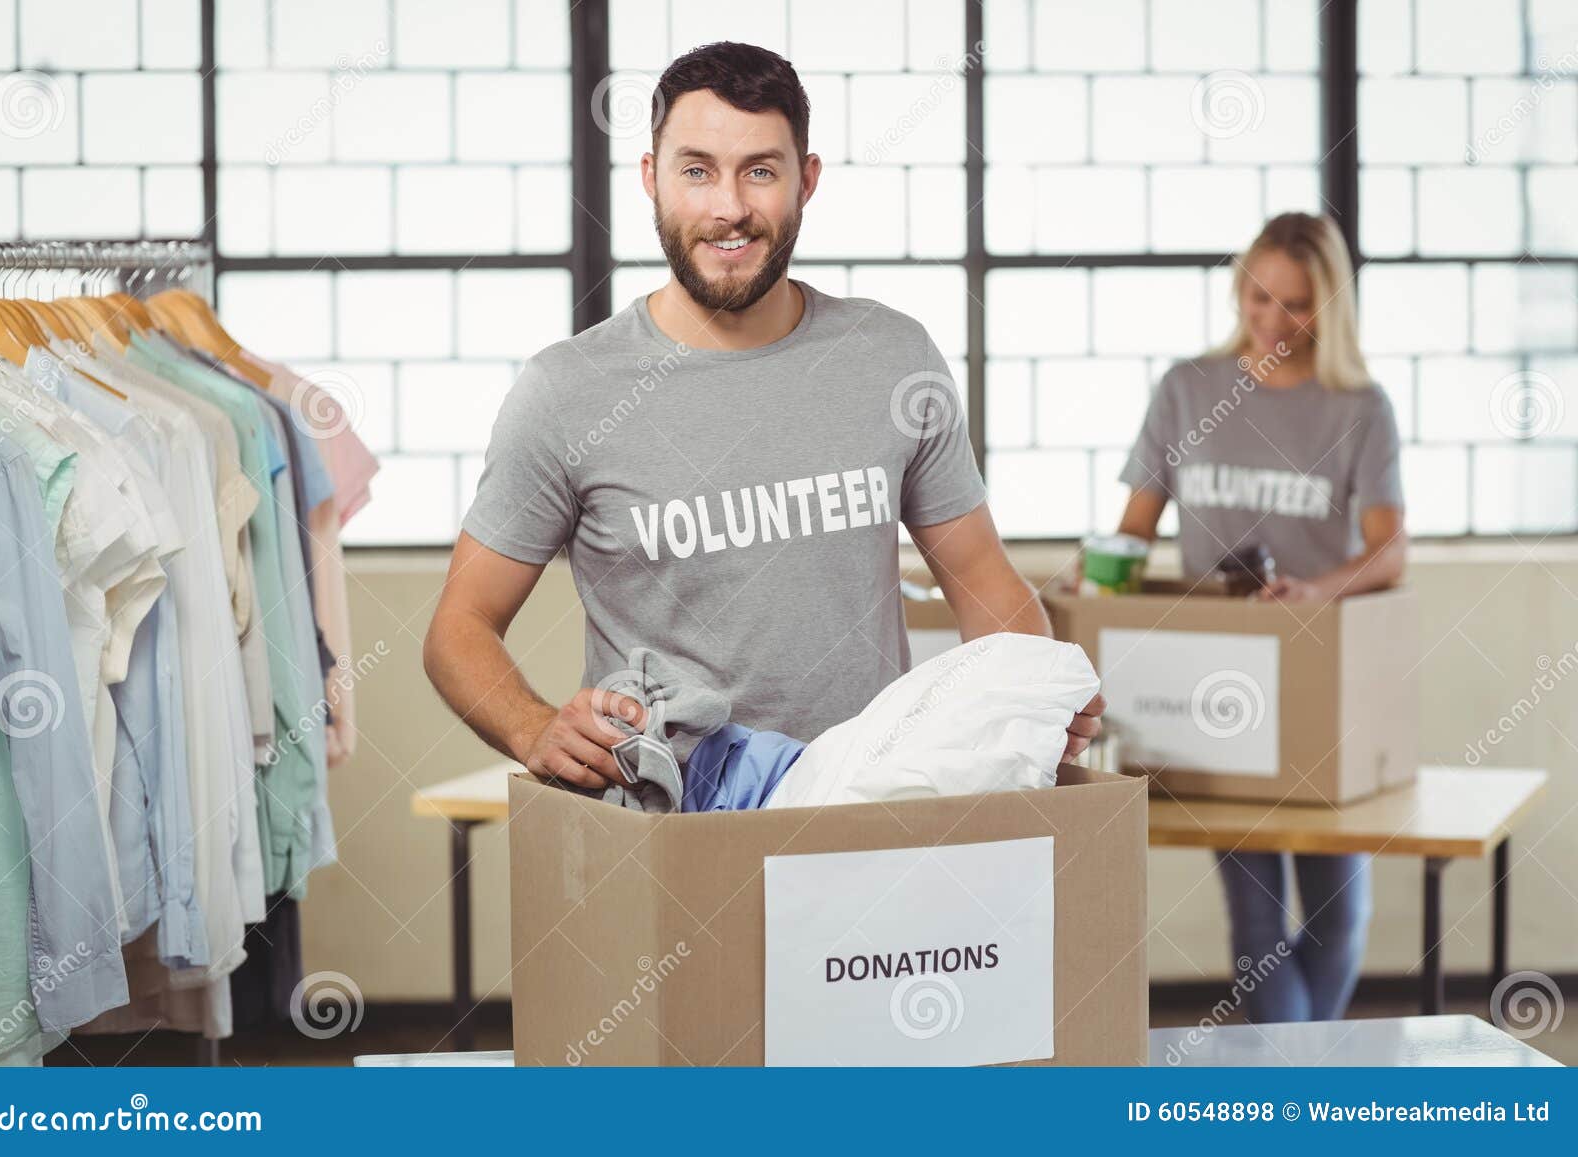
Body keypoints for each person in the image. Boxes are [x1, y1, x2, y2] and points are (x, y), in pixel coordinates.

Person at [424, 41, 1103, 793]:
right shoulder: (567, 391)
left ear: (805, 181)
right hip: (668, 830)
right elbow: (459, 628)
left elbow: (983, 580)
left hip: (868, 815)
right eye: (696, 170)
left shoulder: (892, 357)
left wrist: (1035, 692)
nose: (729, 208)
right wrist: (531, 725)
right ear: (651, 179)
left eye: (761, 170)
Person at [1115, 211, 1407, 1022]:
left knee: (1339, 911)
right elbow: (1131, 536)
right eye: (1258, 296)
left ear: (1329, 307)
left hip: (1320, 683)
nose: (1272, 320)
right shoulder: (1188, 389)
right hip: (1218, 683)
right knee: (1255, 918)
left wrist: (1321, 589)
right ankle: (1304, 1101)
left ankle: (1293, 1093)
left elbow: (1390, 551)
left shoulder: (1359, 408)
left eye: (1296, 304)